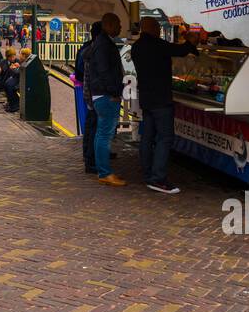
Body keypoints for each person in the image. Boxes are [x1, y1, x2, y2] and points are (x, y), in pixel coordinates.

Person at [129, 17, 201, 194]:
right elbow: (181, 50)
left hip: (146, 98)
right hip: (161, 99)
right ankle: (158, 178)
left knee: (147, 137)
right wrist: (191, 42)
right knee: (165, 138)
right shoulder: (157, 44)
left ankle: (148, 173)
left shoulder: (136, 47)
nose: (160, 30)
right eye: (158, 27)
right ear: (153, 28)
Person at [83, 11, 126, 186]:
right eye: (118, 25)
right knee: (104, 134)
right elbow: (104, 71)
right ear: (109, 25)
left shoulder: (100, 43)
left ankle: (102, 170)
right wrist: (115, 91)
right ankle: (104, 172)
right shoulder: (104, 45)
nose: (120, 28)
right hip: (106, 95)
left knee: (101, 133)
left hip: (100, 94)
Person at [73, 21, 103, 173]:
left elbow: (78, 71)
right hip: (96, 93)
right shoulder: (94, 49)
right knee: (95, 127)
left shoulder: (85, 48)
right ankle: (91, 159)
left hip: (88, 91)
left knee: (91, 126)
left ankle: (89, 155)